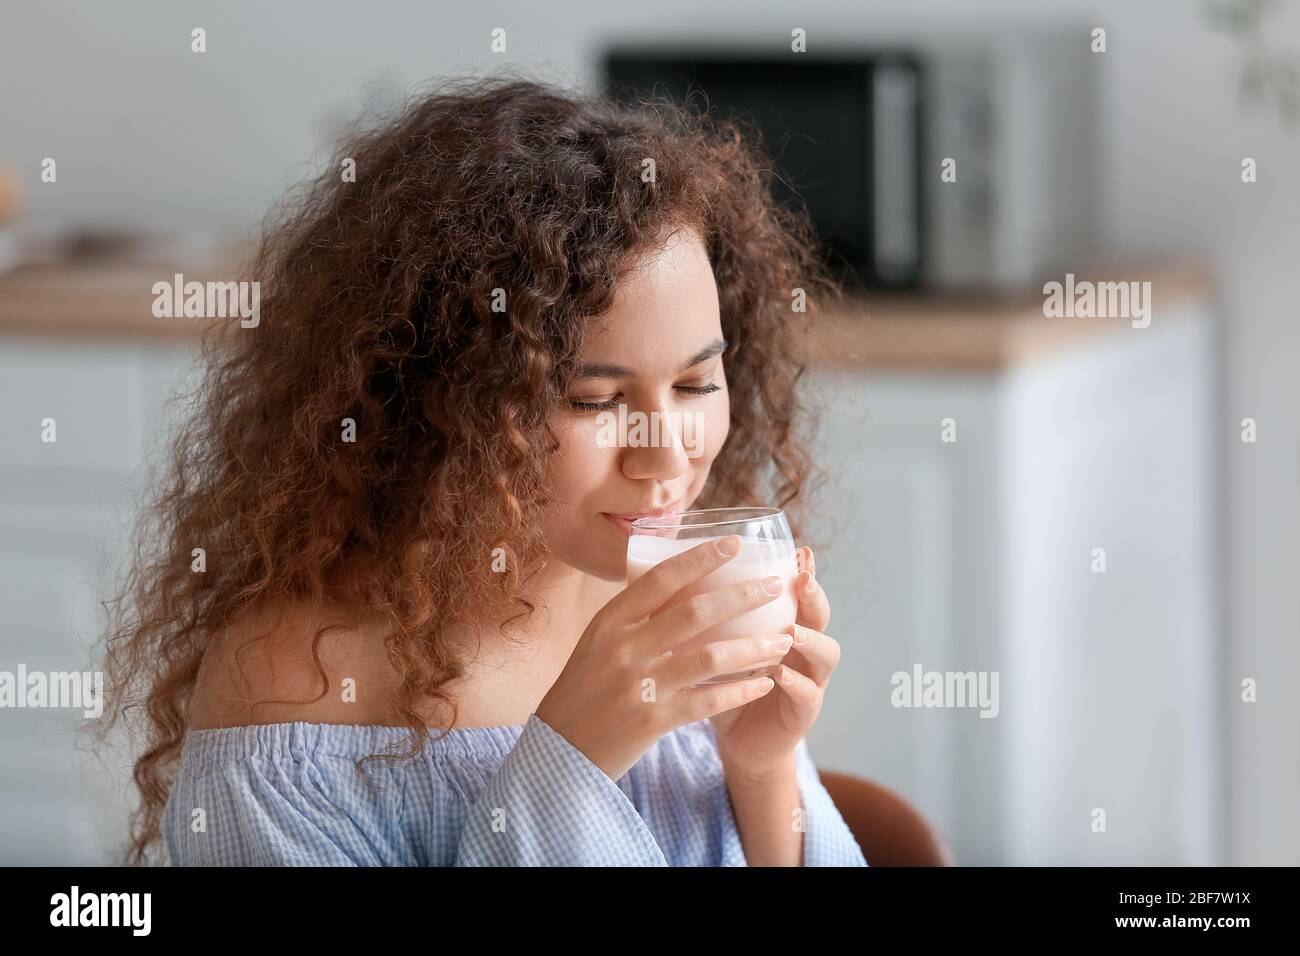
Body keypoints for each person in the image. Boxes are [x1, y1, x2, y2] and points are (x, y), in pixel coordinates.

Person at [97, 75, 866, 867]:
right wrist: (572, 760)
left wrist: (761, 771)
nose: (667, 455)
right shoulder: (300, 689)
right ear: (443, 400)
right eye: (594, 400)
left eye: (697, 384)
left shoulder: (680, 600)